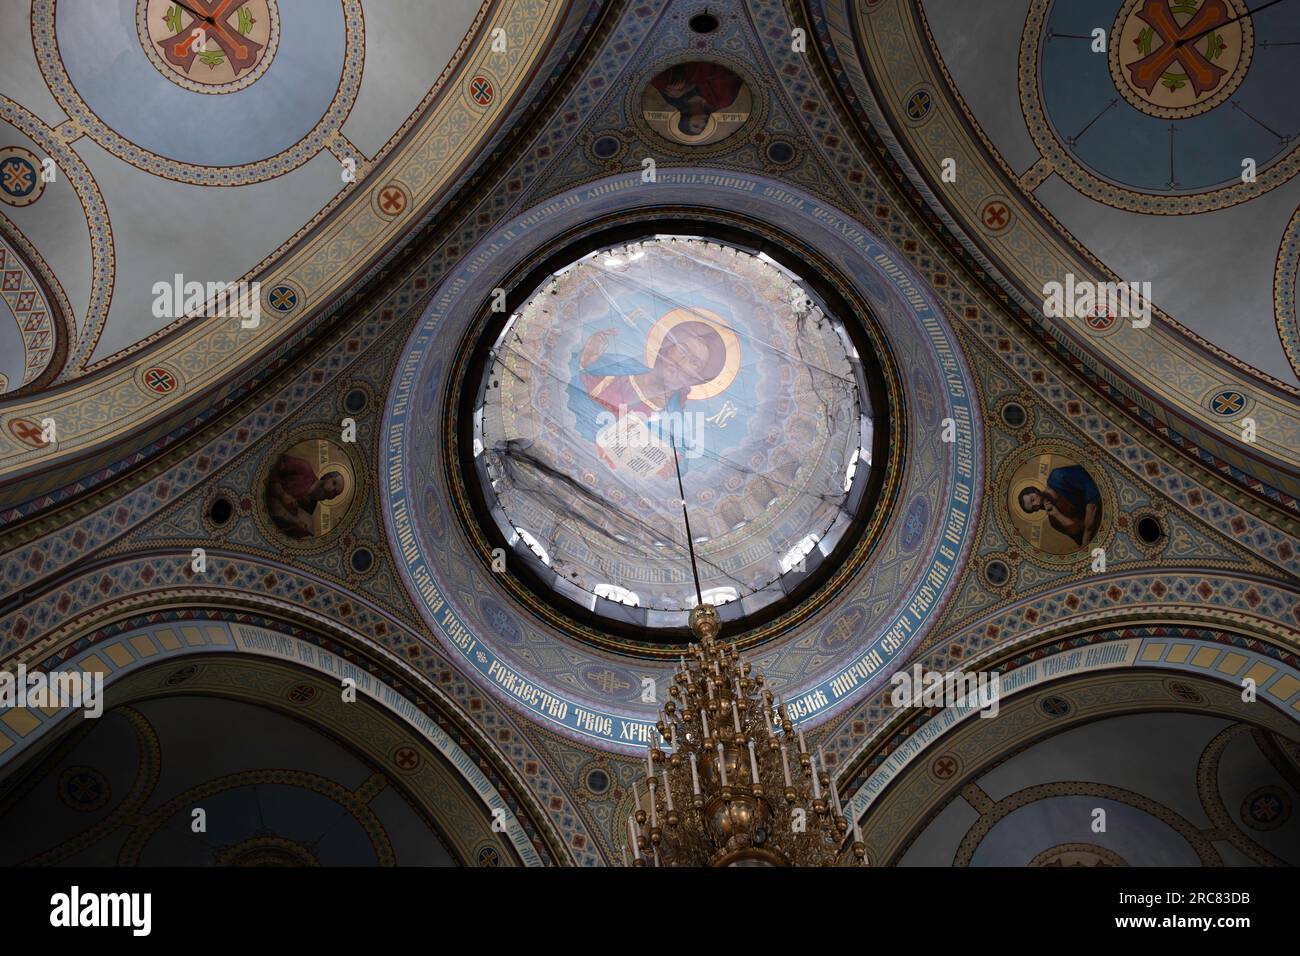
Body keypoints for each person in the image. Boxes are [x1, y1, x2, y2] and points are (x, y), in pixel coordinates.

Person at [650, 63, 743, 138]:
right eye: (703, 127)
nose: (702, 124)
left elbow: (656, 79)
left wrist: (670, 86)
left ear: (685, 121)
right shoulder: (722, 101)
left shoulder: (674, 101)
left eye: (696, 125)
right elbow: (729, 73)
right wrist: (688, 86)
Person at [1018, 464, 1102, 546]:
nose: (1037, 504)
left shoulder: (1057, 477)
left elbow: (1089, 479)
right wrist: (1058, 515)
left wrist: (1090, 513)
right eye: (1034, 508)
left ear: (1036, 491)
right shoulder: (1054, 521)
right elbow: (1079, 536)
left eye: (1033, 499)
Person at [267, 453, 345, 538]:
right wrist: (282, 494)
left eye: (335, 493)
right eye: (333, 483)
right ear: (327, 477)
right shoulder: (304, 468)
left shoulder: (310, 506)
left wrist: (297, 525)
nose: (331, 491)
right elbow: (273, 462)